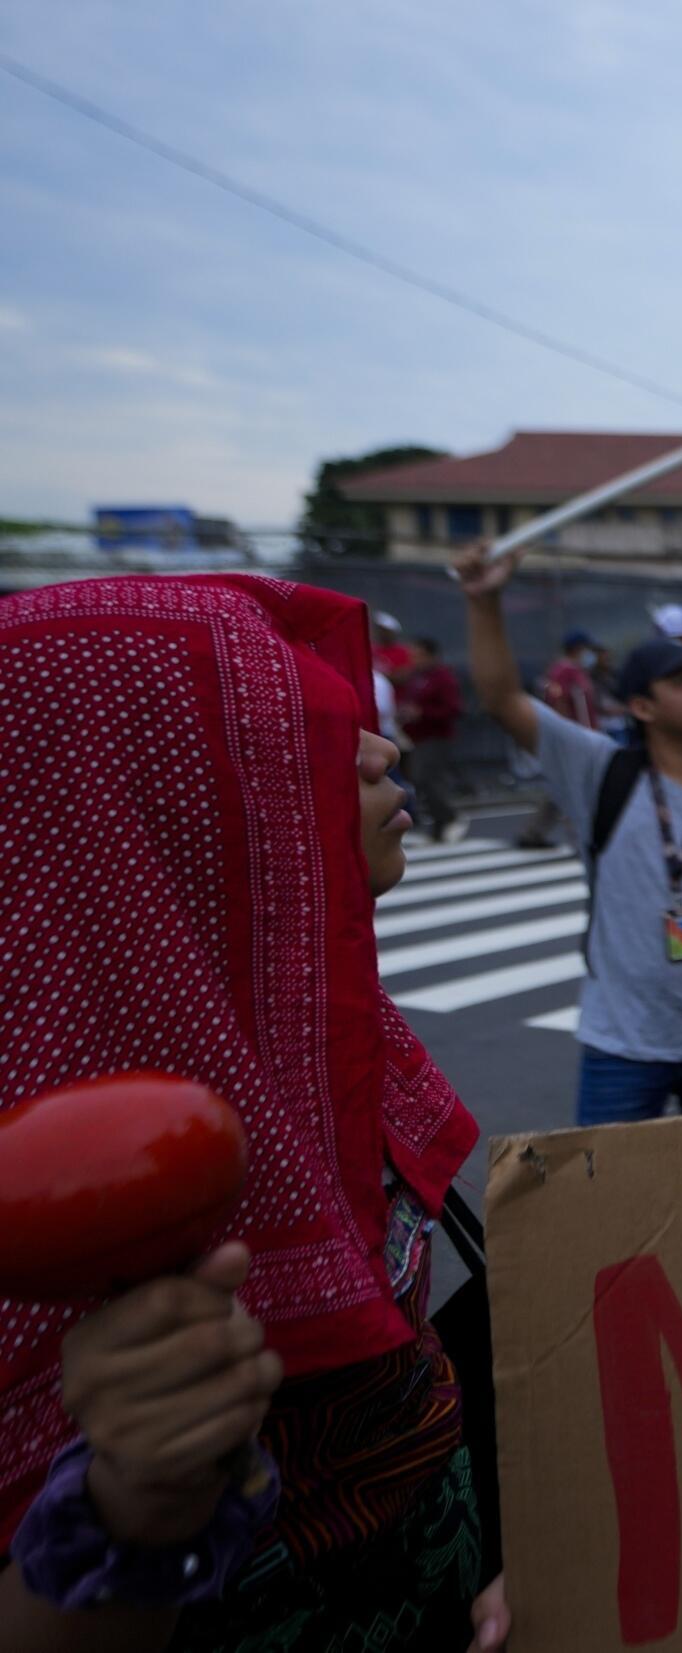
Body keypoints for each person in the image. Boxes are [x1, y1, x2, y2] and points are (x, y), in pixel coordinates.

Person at [0, 574, 506, 1652]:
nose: (382, 753)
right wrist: (131, 1502)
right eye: (301, 728)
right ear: (145, 798)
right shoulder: (41, 1177)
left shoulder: (311, 1028)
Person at [456, 546, 682, 1124]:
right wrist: (483, 601)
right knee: (607, 1207)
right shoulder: (600, 772)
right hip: (623, 1044)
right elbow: (501, 699)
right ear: (642, 706)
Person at [517, 626, 605, 849]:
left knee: (565, 786)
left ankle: (535, 832)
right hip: (577, 737)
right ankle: (579, 836)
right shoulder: (563, 671)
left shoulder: (575, 670)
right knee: (573, 786)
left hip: (584, 736)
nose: (590, 653)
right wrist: (569, 734)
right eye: (587, 648)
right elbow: (560, 703)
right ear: (578, 648)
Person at [393, 636, 465, 844]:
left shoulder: (443, 678)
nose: (415, 660)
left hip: (436, 736)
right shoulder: (417, 678)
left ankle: (448, 816)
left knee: (428, 779)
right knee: (419, 779)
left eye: (419, 655)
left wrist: (423, 713)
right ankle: (440, 822)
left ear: (432, 656)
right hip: (417, 736)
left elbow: (453, 709)